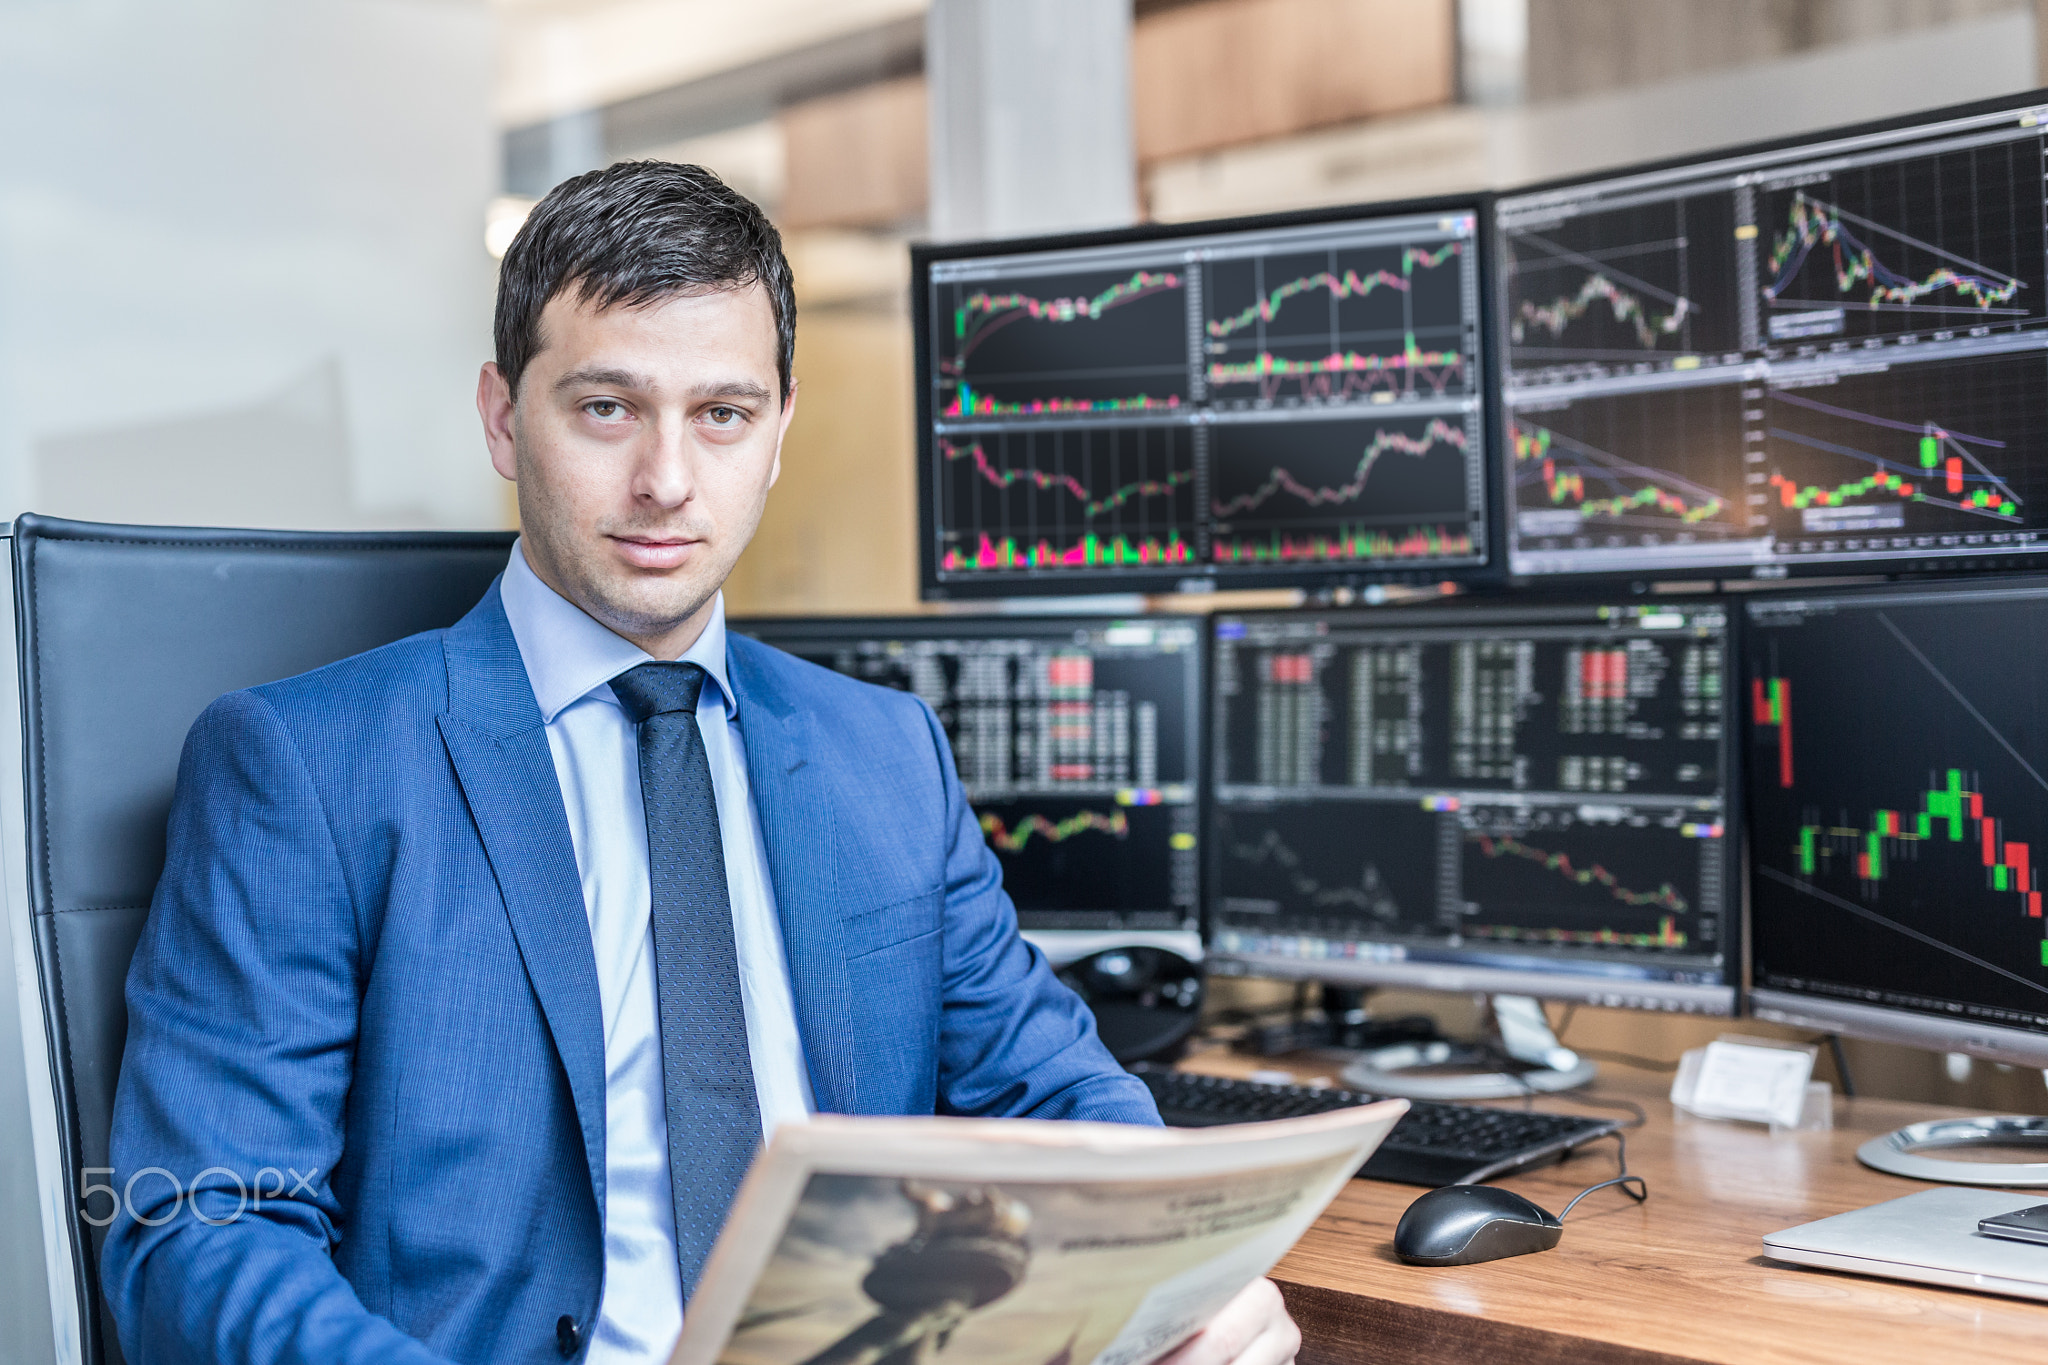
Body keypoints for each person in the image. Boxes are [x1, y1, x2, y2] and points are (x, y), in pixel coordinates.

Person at [102, 161, 1301, 1365]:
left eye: (721, 414)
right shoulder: (306, 765)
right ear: (501, 418)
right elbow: (200, 1233)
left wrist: (1197, 1268)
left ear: (778, 433)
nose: (667, 481)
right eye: (606, 408)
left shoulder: (882, 753)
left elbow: (1054, 1094)